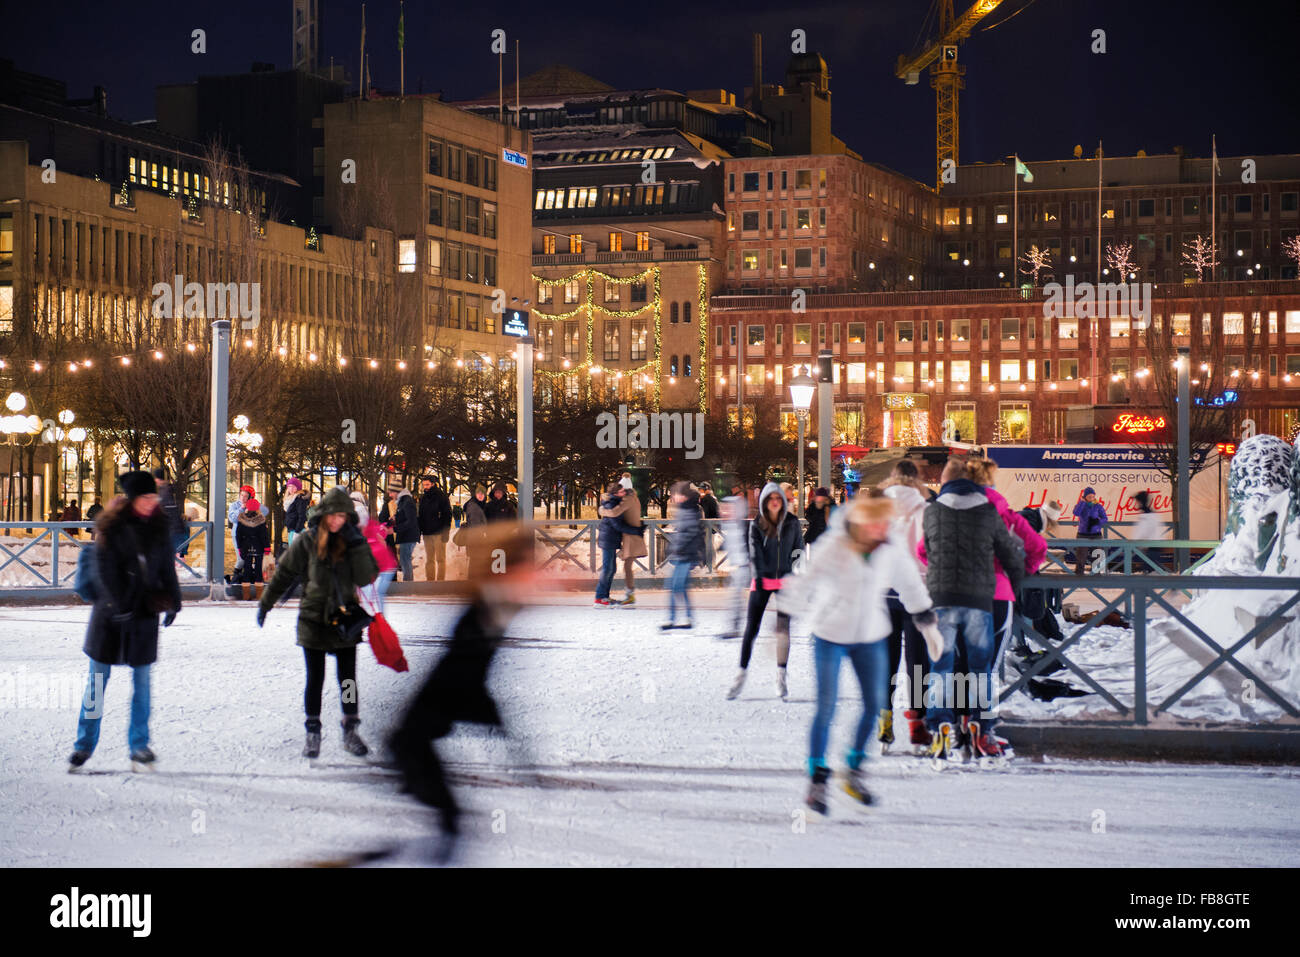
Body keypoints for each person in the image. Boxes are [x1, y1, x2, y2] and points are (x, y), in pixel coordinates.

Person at [780, 495, 940, 812]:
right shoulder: (835, 545)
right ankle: (817, 780)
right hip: (830, 633)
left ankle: (853, 770)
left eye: (885, 524)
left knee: (874, 705)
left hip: (870, 634)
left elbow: (910, 584)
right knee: (826, 707)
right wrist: (785, 616)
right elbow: (806, 579)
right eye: (875, 524)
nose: (881, 529)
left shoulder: (890, 548)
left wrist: (926, 621)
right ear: (860, 523)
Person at [388, 523, 535, 863]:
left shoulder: (490, 612)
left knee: (448, 830)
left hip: (418, 737)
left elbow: (468, 681)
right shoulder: (482, 616)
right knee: (450, 827)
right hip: (413, 743)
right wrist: (499, 726)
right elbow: (464, 681)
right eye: (528, 568)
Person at [68, 472, 181, 772]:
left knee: (142, 683)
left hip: (143, 616)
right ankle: (83, 745)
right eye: (145, 498)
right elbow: (105, 571)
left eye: (153, 498)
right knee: (96, 684)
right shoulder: (112, 527)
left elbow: (166, 568)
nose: (151, 503)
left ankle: (139, 745)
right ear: (132, 500)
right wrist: (120, 603)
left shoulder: (158, 527)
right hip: (110, 616)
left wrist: (174, 600)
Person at [258, 487, 380, 759]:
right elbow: (285, 573)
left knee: (347, 681)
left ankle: (350, 728)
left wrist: (358, 546)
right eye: (332, 515)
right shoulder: (307, 541)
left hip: (345, 619)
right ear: (323, 514)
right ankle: (312, 731)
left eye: (342, 516)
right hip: (313, 618)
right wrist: (266, 603)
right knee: (315, 678)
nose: (337, 521)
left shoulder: (353, 542)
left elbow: (365, 578)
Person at [919, 457, 1026, 764]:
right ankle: (981, 729)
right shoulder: (988, 510)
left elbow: (923, 550)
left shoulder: (933, 511)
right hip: (979, 600)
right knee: (980, 670)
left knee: (941, 668)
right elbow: (1009, 553)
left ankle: (940, 727)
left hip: (942, 599)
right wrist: (1013, 586)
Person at [965, 457, 1047, 718]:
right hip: (997, 593)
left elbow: (925, 550)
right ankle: (982, 722)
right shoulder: (1006, 515)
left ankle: (962, 718)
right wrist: (1021, 573)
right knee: (988, 664)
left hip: (959, 593)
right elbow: (1038, 548)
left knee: (962, 660)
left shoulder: (951, 514)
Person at [728, 482, 804, 701]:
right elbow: (755, 551)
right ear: (764, 502)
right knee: (752, 627)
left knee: (783, 630)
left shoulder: (791, 522)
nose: (774, 502)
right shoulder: (757, 524)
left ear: (782, 501)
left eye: (778, 499)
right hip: (763, 580)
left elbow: (798, 549)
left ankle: (781, 675)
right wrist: (760, 576)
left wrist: (798, 576)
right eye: (770, 499)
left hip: (786, 581)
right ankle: (741, 674)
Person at [879, 461, 934, 753]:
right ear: (916, 480)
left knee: (885, 659)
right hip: (915, 590)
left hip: (883, 591)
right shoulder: (925, 509)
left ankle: (884, 722)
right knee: (917, 662)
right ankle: (917, 726)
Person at [1016, 500, 1067, 647]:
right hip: (1008, 569)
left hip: (1010, 567)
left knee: (1026, 599)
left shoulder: (1030, 517)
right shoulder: (1030, 521)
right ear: (1050, 519)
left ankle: (1032, 634)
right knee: (1028, 597)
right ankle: (1029, 636)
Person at [662, 481, 706, 629]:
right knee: (678, 587)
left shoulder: (691, 510)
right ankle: (684, 617)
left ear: (683, 496)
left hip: (687, 555)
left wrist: (678, 547)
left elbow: (690, 533)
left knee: (677, 587)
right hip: (681, 554)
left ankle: (674, 618)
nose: (673, 497)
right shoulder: (684, 509)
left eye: (676, 494)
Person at [597, 476, 645, 605]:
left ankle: (628, 595)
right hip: (628, 534)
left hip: (631, 535)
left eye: (623, 489)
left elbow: (614, 512)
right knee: (615, 567)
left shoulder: (627, 499)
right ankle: (604, 596)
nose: (622, 492)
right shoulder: (633, 497)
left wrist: (602, 510)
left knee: (624, 567)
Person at [350, 490, 398, 608]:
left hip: (385, 568)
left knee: (375, 594)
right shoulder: (360, 533)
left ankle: (378, 617)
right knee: (370, 594)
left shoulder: (370, 530)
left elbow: (381, 538)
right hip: (378, 568)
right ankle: (373, 617)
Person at [718, 481, 751, 640]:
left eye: (728, 509)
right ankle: (735, 626)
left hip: (746, 566)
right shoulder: (730, 524)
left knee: (737, 598)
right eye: (724, 509)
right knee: (736, 598)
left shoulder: (743, 525)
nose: (725, 512)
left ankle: (736, 627)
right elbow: (730, 542)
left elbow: (747, 543)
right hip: (739, 566)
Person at [594, 481, 627, 606]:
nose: (624, 493)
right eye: (622, 491)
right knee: (608, 569)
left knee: (611, 569)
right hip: (608, 539)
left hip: (610, 539)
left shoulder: (615, 503)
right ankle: (600, 597)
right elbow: (617, 524)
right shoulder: (612, 505)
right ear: (615, 493)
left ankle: (604, 596)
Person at [419, 477, 453, 581]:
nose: (425, 487)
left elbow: (447, 514)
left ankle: (440, 582)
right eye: (424, 485)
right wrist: (420, 529)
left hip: (439, 532)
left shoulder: (441, 496)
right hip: (427, 533)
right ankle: (430, 581)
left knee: (440, 559)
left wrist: (445, 531)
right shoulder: (423, 497)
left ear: (433, 484)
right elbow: (421, 515)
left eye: (427, 484)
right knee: (429, 559)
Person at [387, 479, 420, 582]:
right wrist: (396, 517)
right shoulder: (402, 501)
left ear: (397, 491)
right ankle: (408, 583)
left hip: (409, 536)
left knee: (405, 561)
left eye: (391, 492)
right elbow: (404, 515)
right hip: (406, 536)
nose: (390, 495)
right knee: (404, 560)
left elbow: (411, 521)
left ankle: (408, 584)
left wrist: (394, 529)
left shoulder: (407, 501)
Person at [235, 495, 271, 585]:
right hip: (258, 546)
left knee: (247, 568)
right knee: (259, 569)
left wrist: (239, 547)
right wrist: (267, 547)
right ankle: (258, 594)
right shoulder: (261, 519)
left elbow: (238, 535)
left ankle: (246, 594)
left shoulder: (241, 518)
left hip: (245, 546)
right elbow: (264, 536)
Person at [1072, 486, 1108, 573]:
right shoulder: (1081, 505)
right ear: (1085, 497)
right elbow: (1076, 513)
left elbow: (1105, 518)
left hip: (1096, 533)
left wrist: (1097, 522)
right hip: (1083, 533)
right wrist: (1082, 502)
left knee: (1097, 555)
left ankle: (1096, 575)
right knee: (1081, 556)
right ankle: (1079, 575)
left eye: (1093, 496)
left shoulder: (1098, 506)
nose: (1091, 498)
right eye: (1089, 496)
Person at [153, 468, 187, 556]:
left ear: (157, 479)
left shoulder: (165, 491)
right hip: (173, 529)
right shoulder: (166, 489)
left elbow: (167, 510)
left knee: (174, 556)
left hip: (172, 529)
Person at [462, 485, 489, 578]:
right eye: (478, 494)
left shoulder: (477, 505)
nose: (480, 496)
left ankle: (472, 583)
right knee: (476, 563)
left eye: (482, 494)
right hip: (476, 540)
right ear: (475, 495)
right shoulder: (474, 507)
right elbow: (476, 526)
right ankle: (473, 584)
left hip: (474, 539)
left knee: (474, 563)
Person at [283, 477, 309, 547]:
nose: (291, 489)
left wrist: (297, 531)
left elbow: (302, 516)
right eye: (289, 486)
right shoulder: (290, 499)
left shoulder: (299, 499)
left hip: (297, 530)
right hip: (291, 530)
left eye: (293, 487)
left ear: (298, 488)